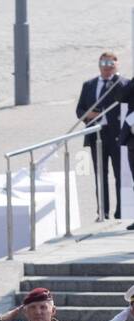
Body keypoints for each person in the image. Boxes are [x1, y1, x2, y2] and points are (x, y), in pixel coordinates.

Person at [75, 52, 127, 220]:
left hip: (117, 136)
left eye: (111, 63)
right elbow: (79, 110)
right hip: (96, 135)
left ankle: (121, 212)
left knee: (120, 175)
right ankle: (102, 212)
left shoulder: (123, 83)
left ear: (116, 65)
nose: (107, 67)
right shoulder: (89, 85)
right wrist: (87, 115)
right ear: (99, 65)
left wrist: (116, 79)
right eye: (104, 63)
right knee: (100, 175)